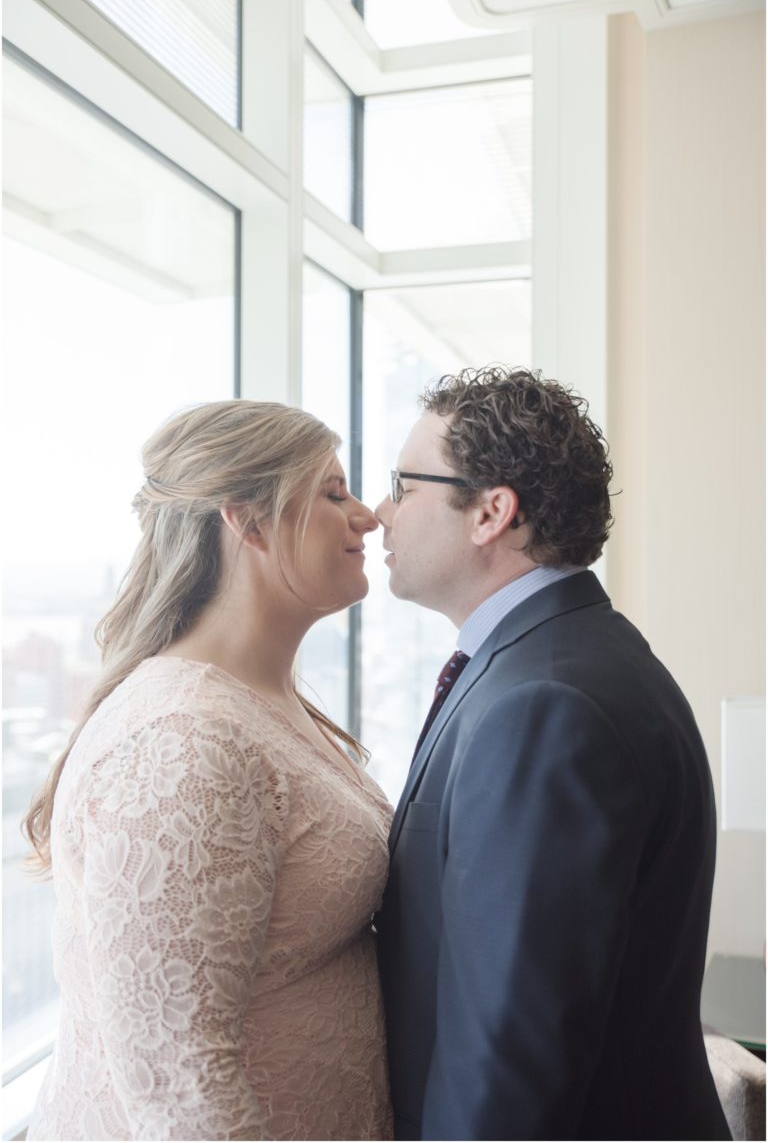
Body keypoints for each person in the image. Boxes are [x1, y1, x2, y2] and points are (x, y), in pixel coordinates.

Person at [374, 365, 730, 1142]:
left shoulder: (544, 706)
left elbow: (510, 1058)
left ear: (491, 513)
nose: (379, 514)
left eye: (404, 486)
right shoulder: (562, 657)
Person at [24, 400, 393, 1141]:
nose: (367, 517)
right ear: (248, 522)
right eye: (332, 492)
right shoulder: (181, 741)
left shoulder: (262, 700)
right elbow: (179, 1088)